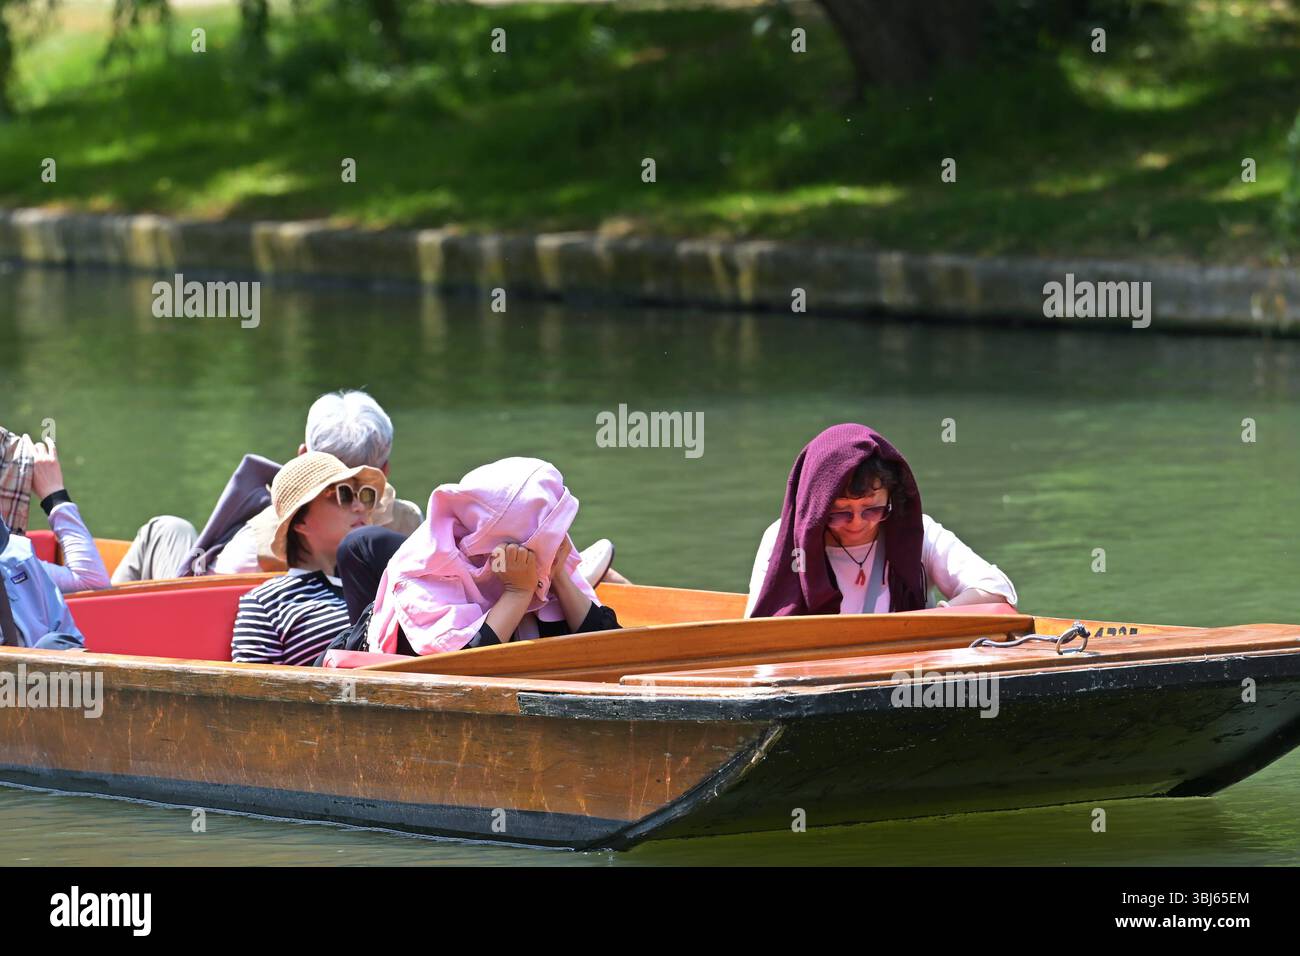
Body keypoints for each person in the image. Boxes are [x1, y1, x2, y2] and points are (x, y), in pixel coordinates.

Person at [112, 389, 424, 583]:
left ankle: (89, 622)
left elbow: (204, 594)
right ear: (384, 470)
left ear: (302, 456)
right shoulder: (409, 524)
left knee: (168, 529)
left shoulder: (266, 537)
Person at [745, 423, 1016, 618]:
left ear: (891, 498)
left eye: (872, 510)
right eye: (840, 513)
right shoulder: (783, 539)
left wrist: (932, 619)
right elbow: (759, 630)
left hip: (906, 675)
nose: (857, 523)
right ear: (817, 510)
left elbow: (996, 589)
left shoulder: (920, 533)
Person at [364, 457, 619, 656]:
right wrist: (517, 593)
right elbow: (462, 669)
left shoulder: (549, 557)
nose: (554, 544)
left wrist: (556, 574)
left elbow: (612, 648)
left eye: (553, 534)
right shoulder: (423, 578)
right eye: (542, 539)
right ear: (494, 544)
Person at [230, 452, 385, 666]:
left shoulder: (385, 583)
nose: (359, 506)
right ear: (300, 521)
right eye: (343, 494)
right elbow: (249, 691)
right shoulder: (267, 603)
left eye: (364, 495)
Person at [0, 516, 86, 650]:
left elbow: (69, 636)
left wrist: (57, 500)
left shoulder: (21, 554)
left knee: (54, 644)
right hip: (19, 668)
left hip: (45, 667)